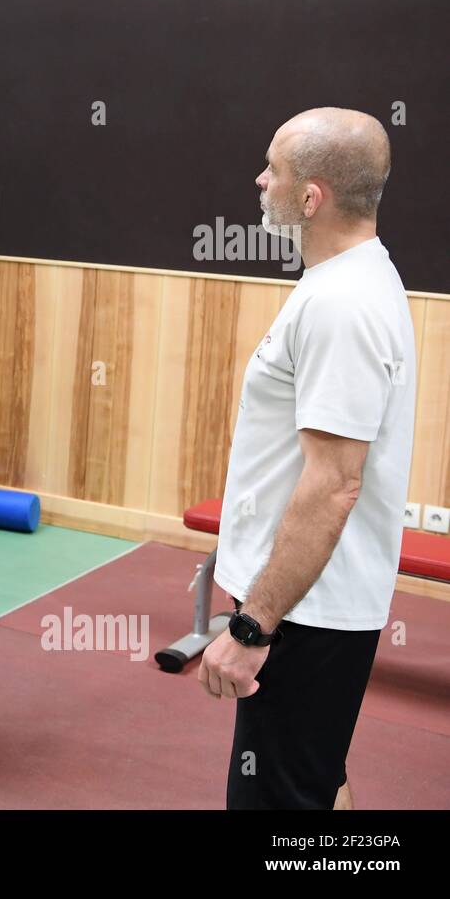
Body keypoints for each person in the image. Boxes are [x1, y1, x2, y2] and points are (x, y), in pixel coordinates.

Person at [199, 108, 415, 810]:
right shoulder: (343, 281)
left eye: (275, 170)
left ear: (312, 198)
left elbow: (332, 488)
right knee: (319, 781)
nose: (260, 181)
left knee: (281, 800)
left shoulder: (342, 306)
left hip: (303, 612)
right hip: (302, 599)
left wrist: (251, 626)